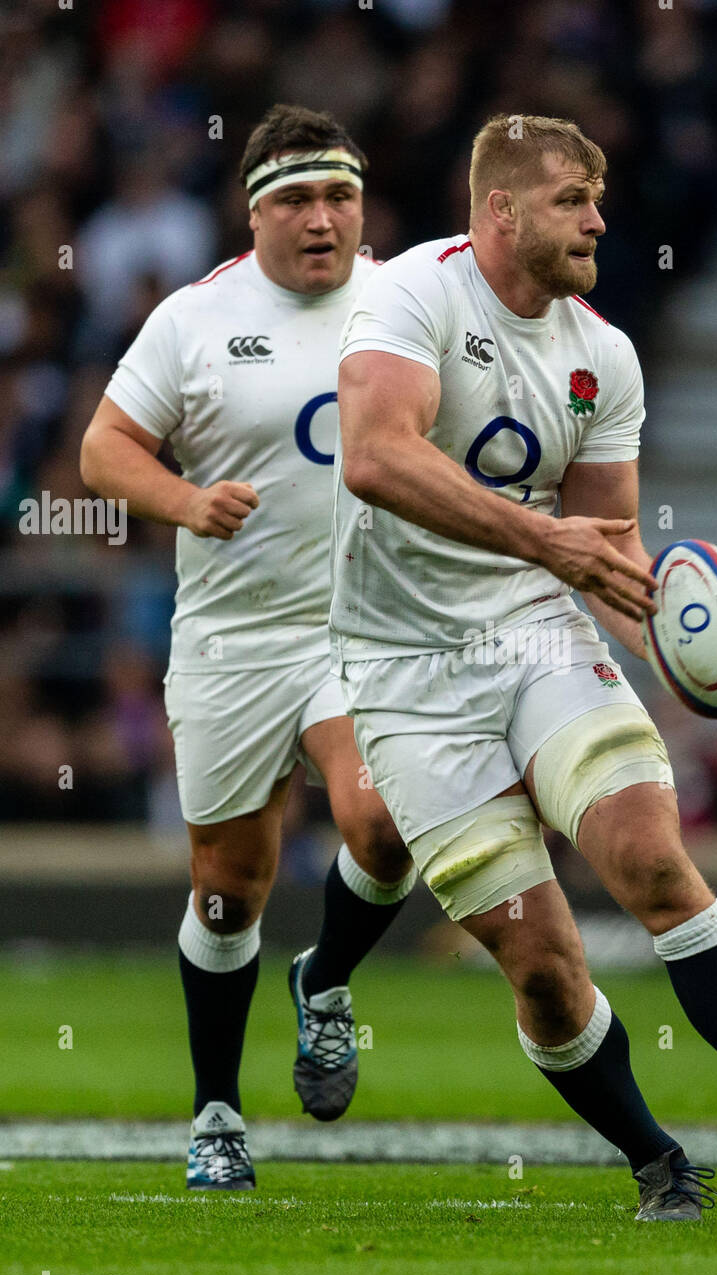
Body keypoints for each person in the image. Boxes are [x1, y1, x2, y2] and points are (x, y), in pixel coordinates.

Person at [331, 114, 717, 1223]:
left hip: (538, 631)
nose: (597, 217)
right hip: (404, 666)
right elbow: (373, 455)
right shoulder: (410, 295)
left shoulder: (605, 355)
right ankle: (654, 1156)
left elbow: (605, 547)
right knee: (542, 968)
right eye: (570, 199)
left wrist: (680, 646)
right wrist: (546, 541)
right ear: (499, 211)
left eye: (598, 195)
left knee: (649, 860)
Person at [80, 104, 415, 1191]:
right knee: (230, 890)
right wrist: (183, 498)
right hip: (230, 637)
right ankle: (217, 1108)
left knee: (381, 820)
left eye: (340, 197)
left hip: (357, 626)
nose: (323, 220)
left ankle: (324, 983)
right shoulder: (195, 317)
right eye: (298, 200)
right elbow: (102, 448)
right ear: (255, 210)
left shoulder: (405, 301)